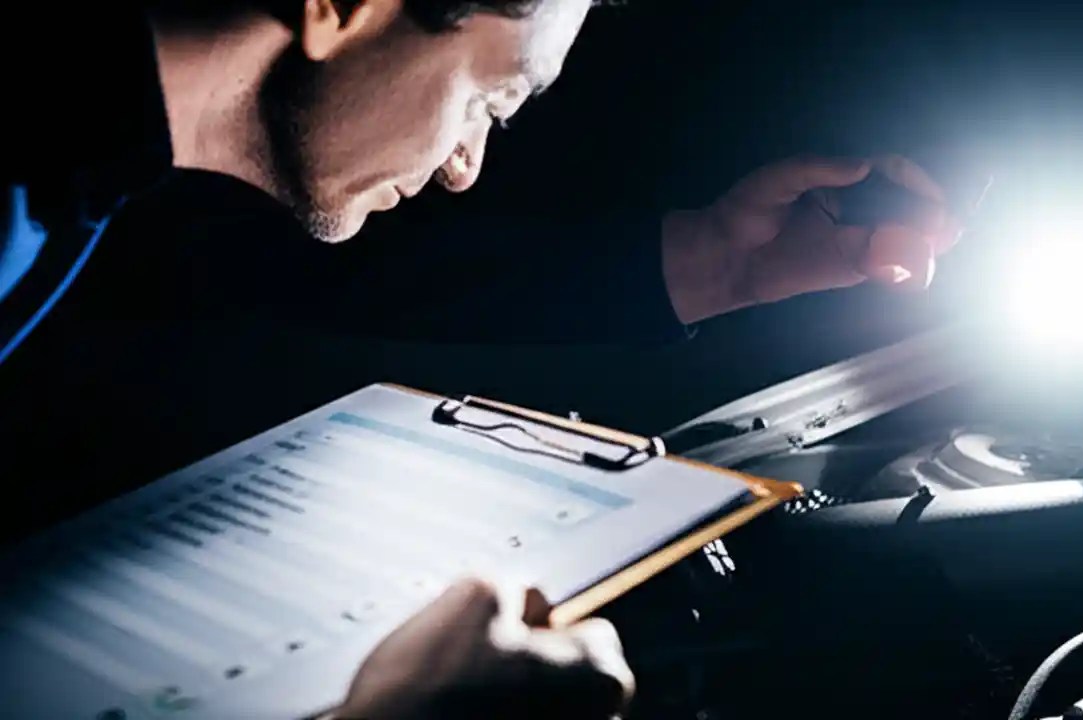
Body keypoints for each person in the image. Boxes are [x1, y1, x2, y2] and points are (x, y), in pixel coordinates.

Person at [0, 0, 961, 717]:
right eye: (492, 98)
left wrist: (721, 260)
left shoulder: (92, 133)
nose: (467, 165)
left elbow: (241, 264)